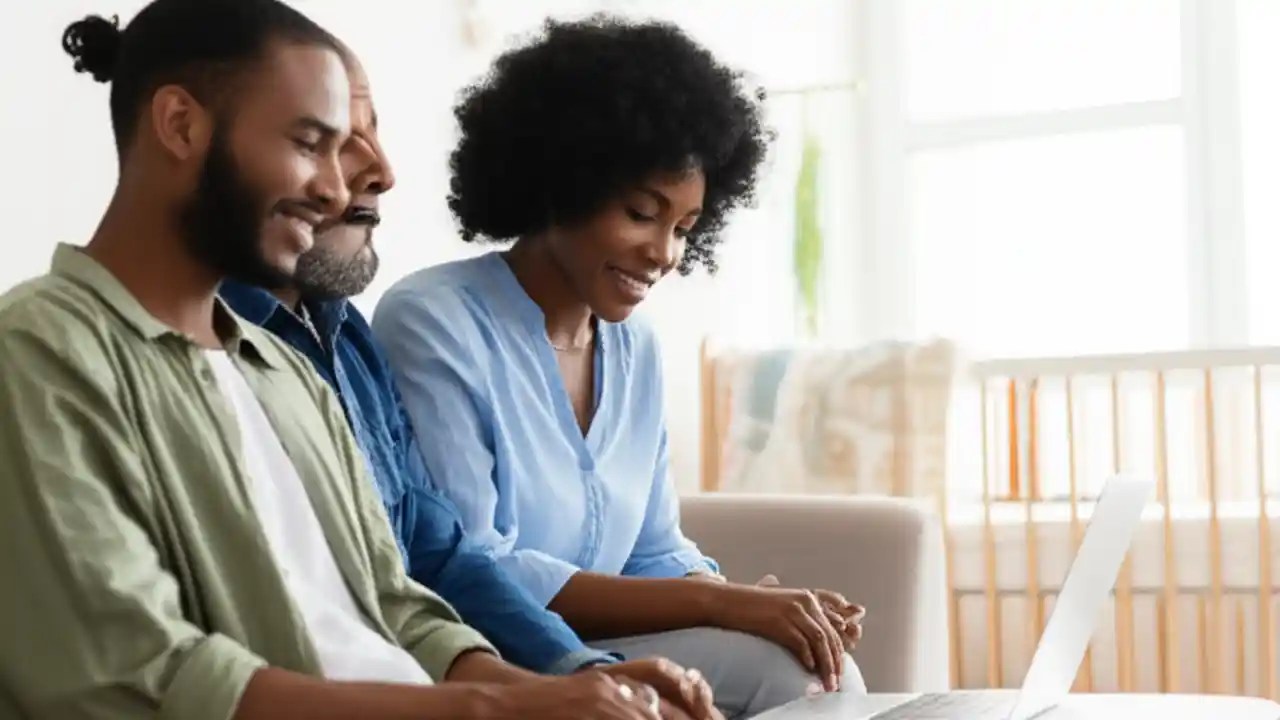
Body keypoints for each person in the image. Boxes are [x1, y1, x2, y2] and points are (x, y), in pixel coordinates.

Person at [0, 3, 715, 719]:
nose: (336, 189)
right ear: (181, 125)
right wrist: (496, 712)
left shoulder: (284, 375)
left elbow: (399, 602)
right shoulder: (42, 351)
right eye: (311, 144)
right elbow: (132, 674)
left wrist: (566, 689)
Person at [372, 16, 867, 720]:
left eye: (684, 229)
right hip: (508, 659)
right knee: (791, 678)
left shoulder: (634, 351)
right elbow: (476, 568)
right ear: (562, 182)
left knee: (816, 664)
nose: (664, 253)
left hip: (614, 643)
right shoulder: (434, 320)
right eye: (642, 213)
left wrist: (752, 605)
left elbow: (653, 550)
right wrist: (721, 603)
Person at [218, 43, 682, 681]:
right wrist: (514, 694)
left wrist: (576, 674)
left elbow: (427, 557)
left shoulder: (345, 337)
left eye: (367, 135)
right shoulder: (195, 353)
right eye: (319, 141)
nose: (381, 172)